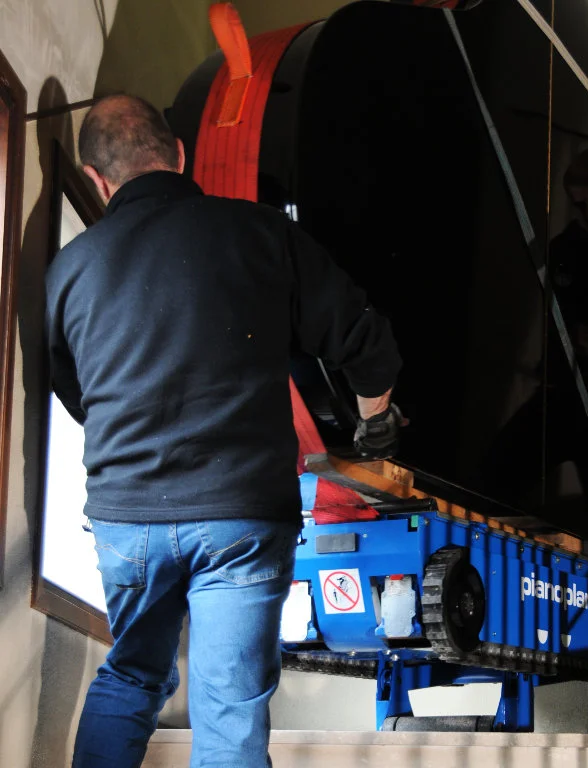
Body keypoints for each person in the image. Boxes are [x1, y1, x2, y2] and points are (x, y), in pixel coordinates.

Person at [45, 94, 403, 768]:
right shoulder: (260, 233)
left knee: (131, 674)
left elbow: (77, 395)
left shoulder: (70, 270)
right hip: (241, 514)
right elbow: (364, 340)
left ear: (96, 180)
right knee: (229, 708)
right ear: (180, 153)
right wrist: (375, 419)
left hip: (128, 519)